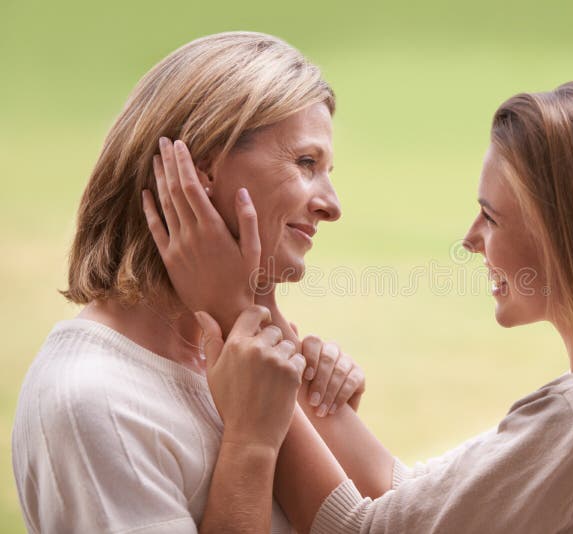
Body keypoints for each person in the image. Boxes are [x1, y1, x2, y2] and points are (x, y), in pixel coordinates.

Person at [156, 81, 573, 533]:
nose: (472, 238)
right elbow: (404, 492)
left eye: (492, 216)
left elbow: (361, 528)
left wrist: (234, 313)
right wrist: (270, 318)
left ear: (571, 237)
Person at [12, 31, 366, 533]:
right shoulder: (93, 402)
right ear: (197, 169)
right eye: (306, 163)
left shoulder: (234, 352)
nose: (332, 205)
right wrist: (249, 442)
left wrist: (321, 411)